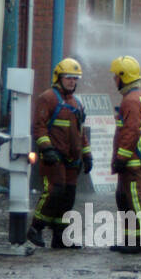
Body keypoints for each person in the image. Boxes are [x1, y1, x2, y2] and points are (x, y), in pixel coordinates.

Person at [26, 57, 92, 248]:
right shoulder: (48, 98)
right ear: (59, 78)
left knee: (68, 198)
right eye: (68, 78)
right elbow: (39, 127)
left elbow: (81, 133)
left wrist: (87, 155)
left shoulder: (77, 103)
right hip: (54, 158)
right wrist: (46, 149)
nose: (72, 81)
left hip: (72, 161)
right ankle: (36, 228)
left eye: (75, 78)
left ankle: (61, 237)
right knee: (54, 192)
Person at [109, 55, 141, 254]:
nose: (114, 80)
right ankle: (130, 240)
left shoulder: (132, 100)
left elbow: (131, 132)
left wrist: (121, 158)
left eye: (115, 76)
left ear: (123, 76)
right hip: (132, 160)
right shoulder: (135, 98)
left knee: (134, 200)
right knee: (124, 198)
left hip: (132, 161)